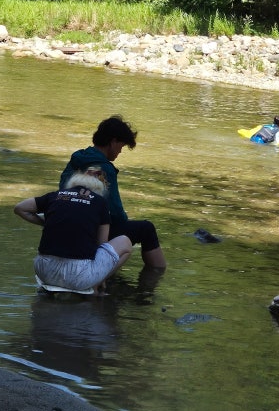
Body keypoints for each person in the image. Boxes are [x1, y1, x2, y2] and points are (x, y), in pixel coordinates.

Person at [60, 116, 166, 270]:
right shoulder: (104, 169)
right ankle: (156, 276)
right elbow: (115, 213)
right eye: (121, 146)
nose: (120, 152)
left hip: (65, 225)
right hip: (89, 231)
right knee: (146, 229)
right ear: (113, 142)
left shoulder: (76, 160)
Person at [14, 169, 132, 293]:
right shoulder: (100, 202)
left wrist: (46, 222)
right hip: (79, 277)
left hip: (44, 271)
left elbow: (20, 208)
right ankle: (97, 284)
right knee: (125, 242)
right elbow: (102, 244)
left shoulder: (56, 195)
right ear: (97, 189)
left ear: (72, 185)